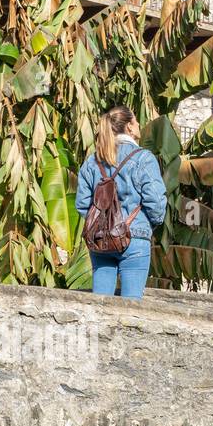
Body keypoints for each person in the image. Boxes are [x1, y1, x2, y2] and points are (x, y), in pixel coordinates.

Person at [76, 106, 167, 299]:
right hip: (134, 237)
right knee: (132, 307)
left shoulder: (93, 161)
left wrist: (101, 224)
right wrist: (149, 224)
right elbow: (156, 203)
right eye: (135, 121)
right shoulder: (144, 158)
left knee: (100, 305)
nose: (139, 125)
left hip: (101, 240)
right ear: (129, 127)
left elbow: (83, 204)